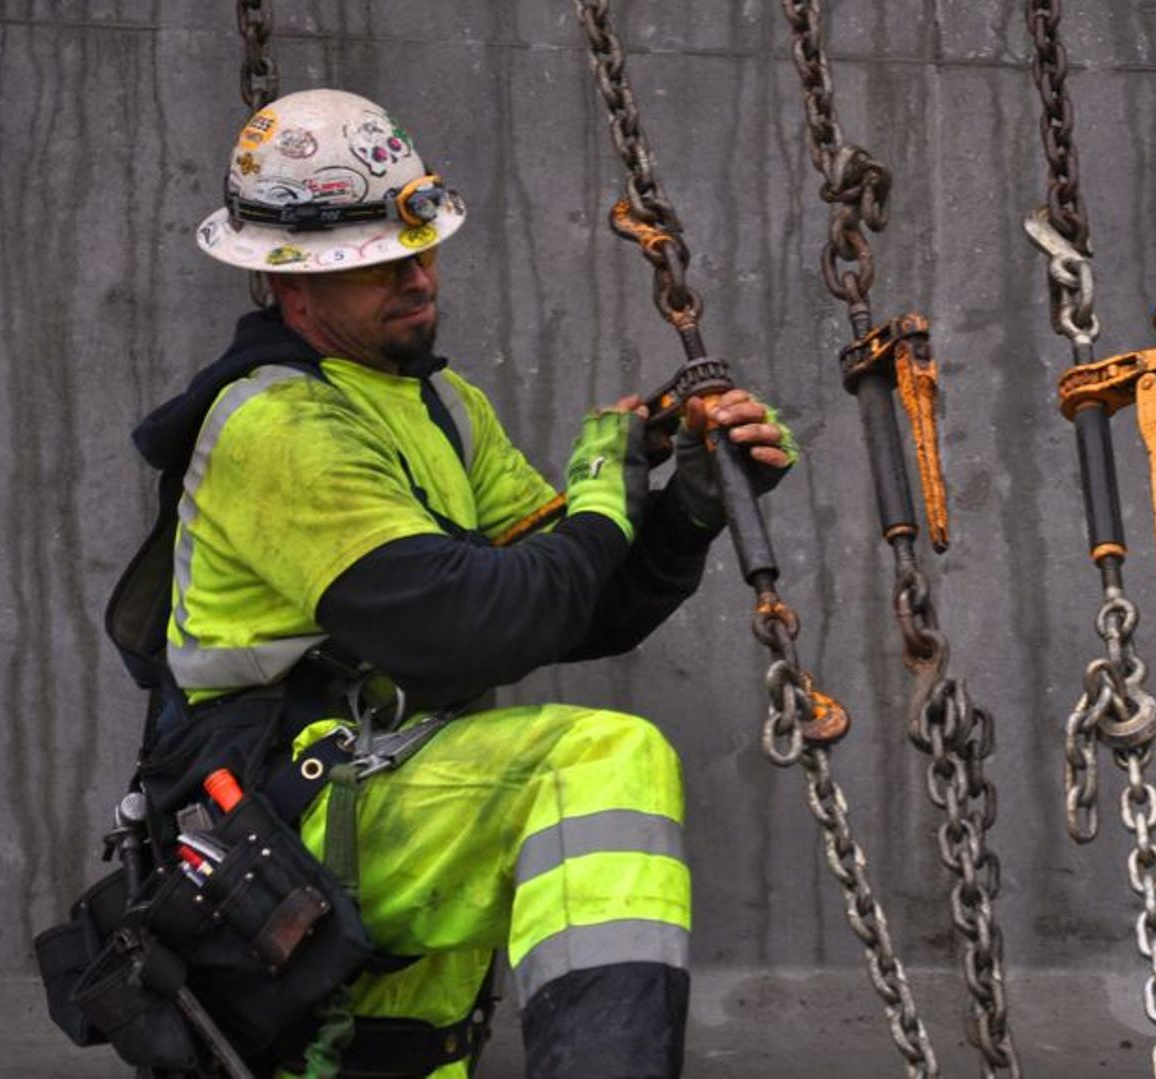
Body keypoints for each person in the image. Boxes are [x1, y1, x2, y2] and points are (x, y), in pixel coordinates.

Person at [140, 87, 795, 1077]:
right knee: (598, 761)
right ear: (291, 289)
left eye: (421, 247)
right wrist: (605, 486)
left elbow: (579, 602)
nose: (415, 276)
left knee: (410, 1056)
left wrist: (687, 507)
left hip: (397, 793)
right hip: (291, 815)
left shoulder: (442, 404)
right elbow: (468, 628)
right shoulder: (275, 428)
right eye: (376, 266)